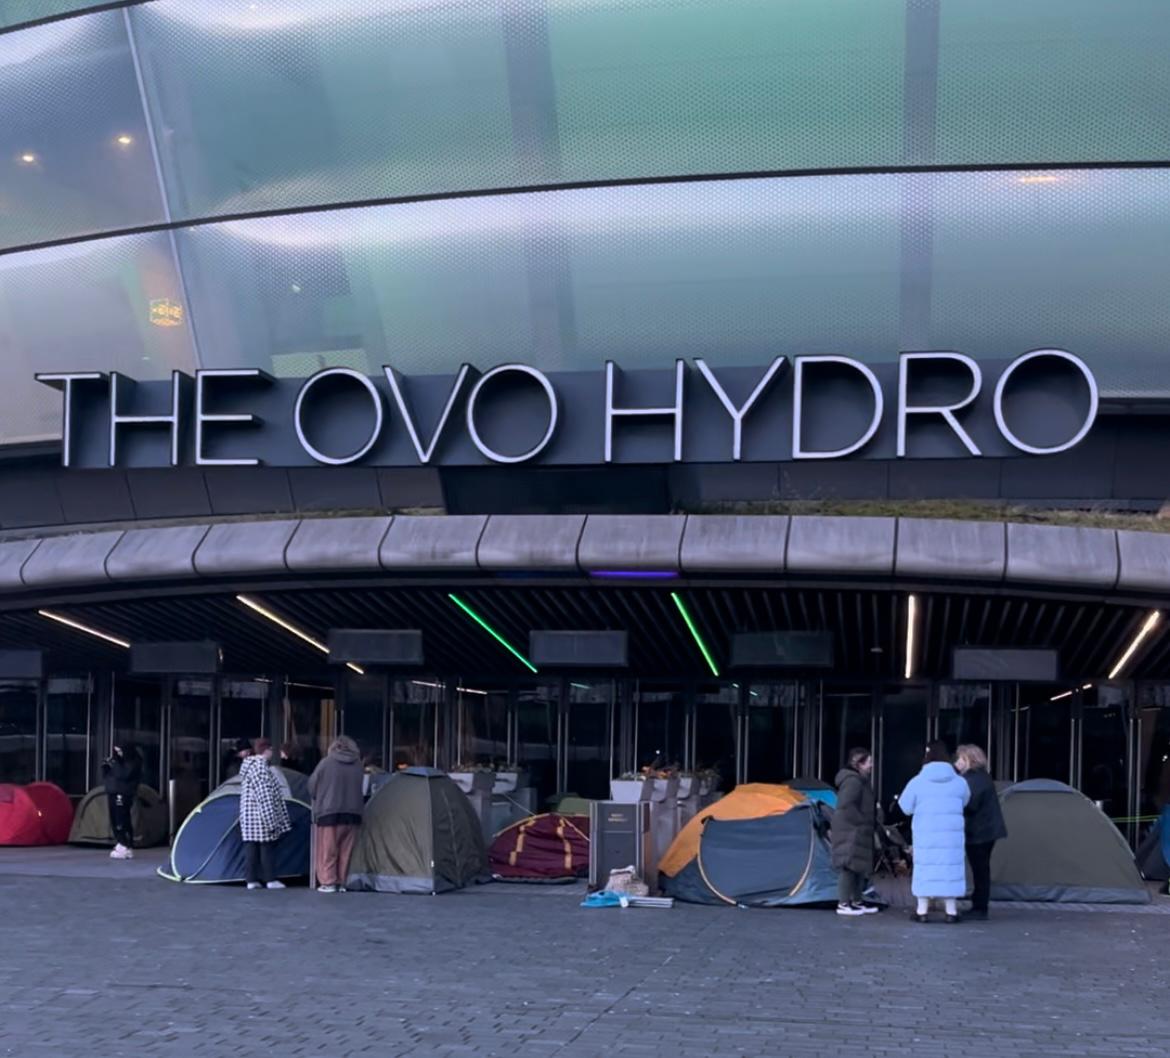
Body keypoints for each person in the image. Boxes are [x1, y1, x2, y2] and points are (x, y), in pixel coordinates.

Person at [899, 740, 971, 923]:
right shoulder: (959, 782)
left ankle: (922, 911)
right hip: (951, 836)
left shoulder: (917, 781)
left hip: (926, 835)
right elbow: (965, 801)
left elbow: (905, 806)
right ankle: (951, 912)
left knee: (925, 869)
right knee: (950, 869)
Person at [955, 744, 1008, 921]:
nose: (958, 763)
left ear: (970, 759)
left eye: (961, 759)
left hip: (980, 832)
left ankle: (980, 906)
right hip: (985, 831)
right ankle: (979, 902)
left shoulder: (974, 779)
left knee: (980, 869)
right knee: (981, 868)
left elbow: (970, 804)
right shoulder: (981, 777)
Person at [308, 736, 365, 893]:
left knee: (328, 850)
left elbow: (312, 785)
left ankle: (328, 882)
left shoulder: (326, 763)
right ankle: (341, 881)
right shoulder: (358, 764)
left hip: (329, 813)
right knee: (346, 850)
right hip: (353, 813)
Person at [238, 738, 292, 890]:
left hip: (249, 815)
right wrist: (271, 821)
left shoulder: (250, 766)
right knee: (267, 847)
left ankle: (251, 880)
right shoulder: (261, 768)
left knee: (251, 848)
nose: (272, 752)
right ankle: (270, 879)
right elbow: (265, 796)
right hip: (260, 816)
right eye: (271, 749)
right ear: (266, 750)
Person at [831, 747, 879, 917]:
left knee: (859, 866)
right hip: (851, 830)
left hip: (857, 829)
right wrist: (860, 821)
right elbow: (845, 805)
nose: (872, 765)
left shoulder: (860, 781)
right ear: (859, 764)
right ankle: (844, 903)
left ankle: (857, 901)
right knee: (849, 866)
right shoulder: (853, 782)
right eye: (869, 762)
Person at [101, 744, 142, 860]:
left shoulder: (133, 762)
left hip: (123, 793)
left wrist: (115, 764)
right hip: (113, 791)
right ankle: (122, 843)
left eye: (120, 751)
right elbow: (109, 776)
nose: (119, 754)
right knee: (115, 818)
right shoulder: (119, 762)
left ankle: (125, 844)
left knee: (121, 818)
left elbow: (124, 774)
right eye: (117, 751)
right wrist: (106, 767)